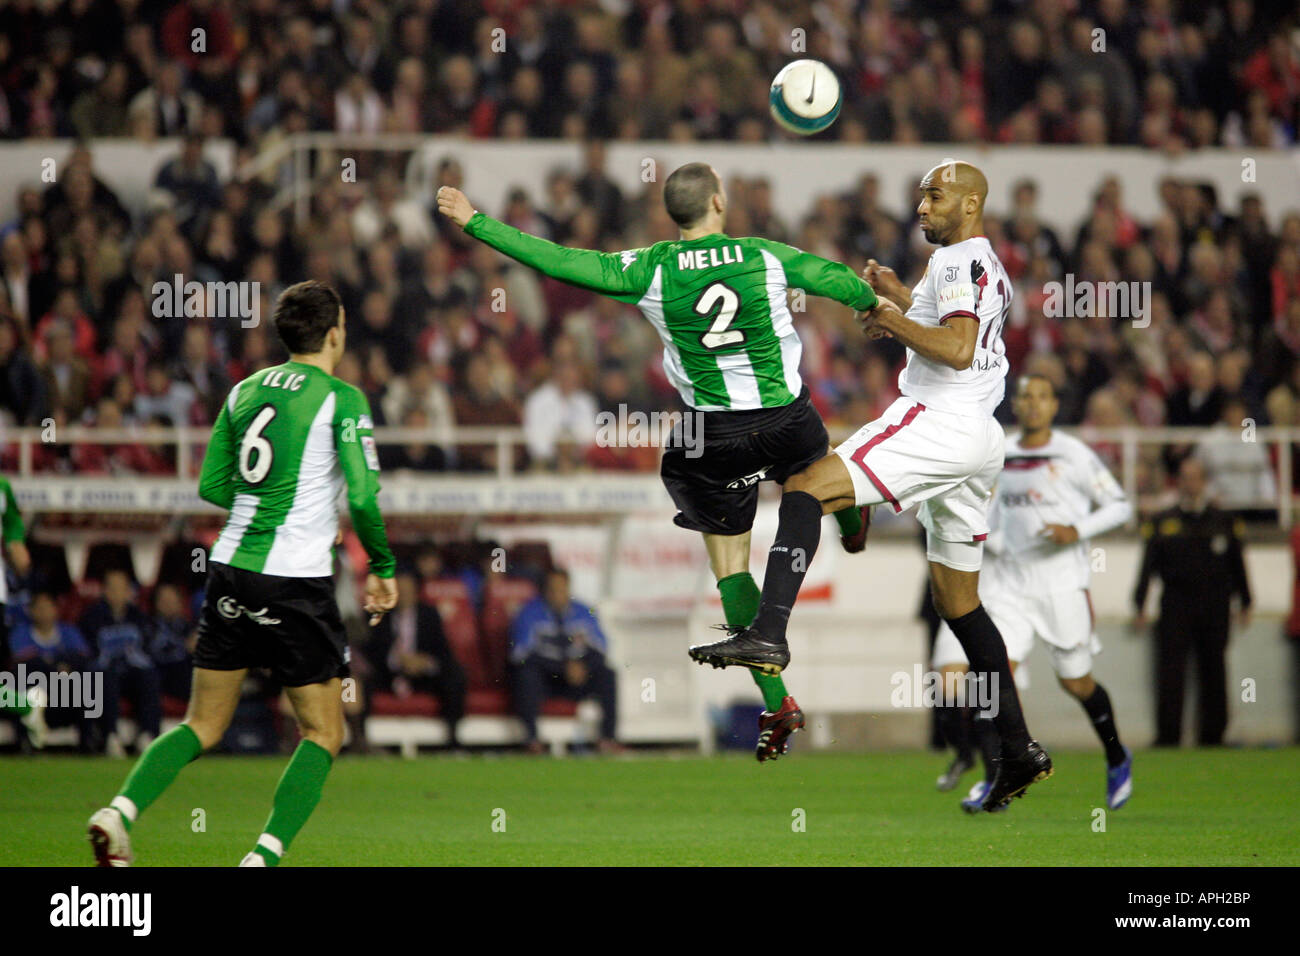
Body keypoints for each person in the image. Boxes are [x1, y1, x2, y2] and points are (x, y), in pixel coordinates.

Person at [437, 164, 879, 762]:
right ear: (720, 202)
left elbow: (559, 261)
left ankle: (778, 702)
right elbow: (832, 278)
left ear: (673, 216)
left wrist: (476, 222)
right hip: (785, 417)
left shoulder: (650, 268)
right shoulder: (763, 254)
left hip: (713, 436)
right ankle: (852, 526)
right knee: (823, 473)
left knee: (729, 569)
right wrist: (873, 302)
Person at [688, 160, 1051, 812]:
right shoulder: (983, 261)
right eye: (920, 197)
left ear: (970, 203)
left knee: (805, 485)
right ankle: (1020, 748)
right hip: (979, 441)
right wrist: (897, 300)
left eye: (934, 196)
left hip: (938, 422)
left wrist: (890, 322)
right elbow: (953, 330)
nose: (922, 207)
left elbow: (959, 348)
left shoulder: (955, 260)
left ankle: (768, 633)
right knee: (958, 603)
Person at [87, 280, 398, 867]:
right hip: (295, 580)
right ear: (334, 332)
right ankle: (261, 860)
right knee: (324, 733)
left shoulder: (243, 391)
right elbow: (362, 494)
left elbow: (210, 485)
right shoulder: (342, 398)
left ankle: (118, 812)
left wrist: (267, 507)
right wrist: (381, 565)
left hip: (230, 569)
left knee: (202, 724)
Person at [932, 374, 1133, 812]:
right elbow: (990, 515)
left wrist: (1075, 530)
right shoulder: (999, 450)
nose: (1034, 404)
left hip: (1061, 587)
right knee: (990, 676)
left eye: (1043, 396)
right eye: (1026, 397)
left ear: (1055, 405)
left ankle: (1117, 757)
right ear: (1016, 405)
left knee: (1076, 683)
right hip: (1010, 587)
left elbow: (1121, 505)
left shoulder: (1074, 454)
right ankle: (996, 780)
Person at [1134, 456, 1252, 747]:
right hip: (1175, 605)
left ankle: (1213, 736)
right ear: (1179, 482)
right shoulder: (1162, 522)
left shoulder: (1224, 521)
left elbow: (1238, 566)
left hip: (1216, 606)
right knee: (1171, 672)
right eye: (1185, 477)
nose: (1190, 483)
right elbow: (1146, 568)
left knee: (1214, 669)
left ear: (1204, 481)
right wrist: (1140, 605)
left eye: (1195, 477)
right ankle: (1168, 736)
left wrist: (1246, 602)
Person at [510, 568, 619, 754]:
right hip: (546, 677)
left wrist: (582, 665)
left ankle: (608, 739)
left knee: (607, 674)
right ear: (545, 590)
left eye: (562, 589)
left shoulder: (584, 612)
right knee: (525, 675)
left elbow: (601, 648)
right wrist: (562, 668)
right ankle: (532, 740)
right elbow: (519, 654)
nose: (557, 594)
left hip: (577, 677)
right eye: (553, 589)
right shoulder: (529, 613)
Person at [366, 569, 467, 748]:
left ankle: (453, 739)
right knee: (360, 679)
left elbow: (443, 652)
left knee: (455, 675)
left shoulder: (429, 615)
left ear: (417, 592)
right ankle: (362, 741)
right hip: (388, 675)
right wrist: (398, 661)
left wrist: (424, 662)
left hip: (422, 676)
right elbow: (371, 653)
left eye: (408, 590)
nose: (403, 595)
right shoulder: (378, 616)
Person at [79, 569, 162, 757]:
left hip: (132, 672)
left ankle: (147, 735)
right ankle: (111, 736)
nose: (118, 593)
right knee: (105, 678)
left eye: (123, 588)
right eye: (113, 588)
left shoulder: (139, 616)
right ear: (104, 591)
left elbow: (147, 648)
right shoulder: (91, 617)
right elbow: (87, 653)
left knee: (149, 675)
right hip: (105, 673)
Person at [8, 588, 93, 750]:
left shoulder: (68, 631)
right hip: (34, 690)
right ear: (31, 612)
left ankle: (88, 740)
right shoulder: (21, 632)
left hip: (63, 693)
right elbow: (25, 661)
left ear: (56, 610)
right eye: (39, 608)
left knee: (88, 677)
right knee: (16, 677)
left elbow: (82, 657)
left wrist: (59, 665)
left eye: (48, 607)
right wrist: (56, 667)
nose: (44, 613)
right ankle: (24, 740)